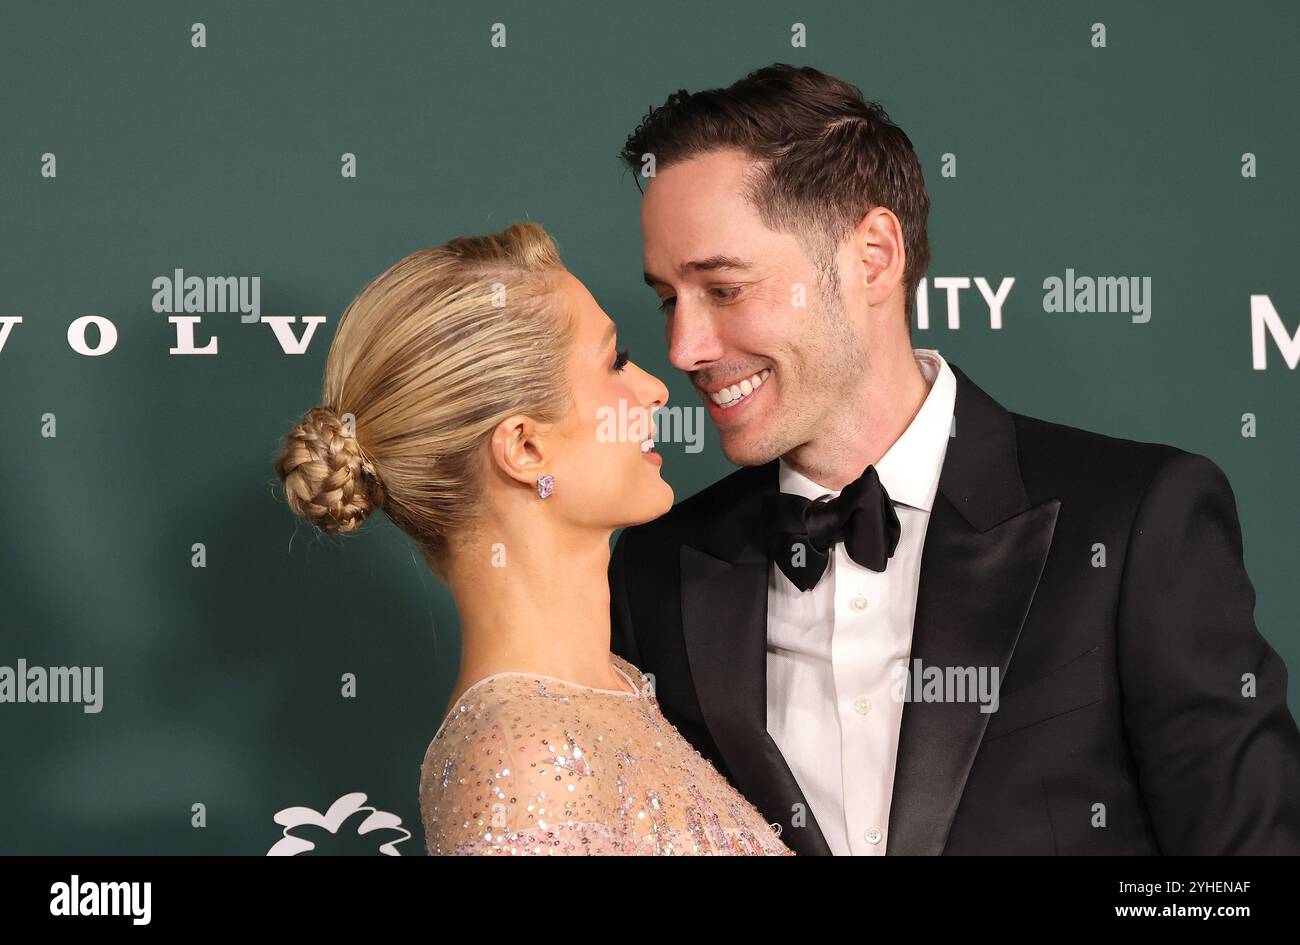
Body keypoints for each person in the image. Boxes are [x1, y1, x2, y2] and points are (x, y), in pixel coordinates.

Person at [608, 63, 1300, 855]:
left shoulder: (1135, 521)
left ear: (874, 257)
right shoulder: (656, 571)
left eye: (724, 289)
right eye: (669, 299)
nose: (684, 348)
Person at [274, 223, 793, 856]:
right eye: (614, 362)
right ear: (524, 449)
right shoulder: (525, 759)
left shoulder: (617, 691)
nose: (655, 390)